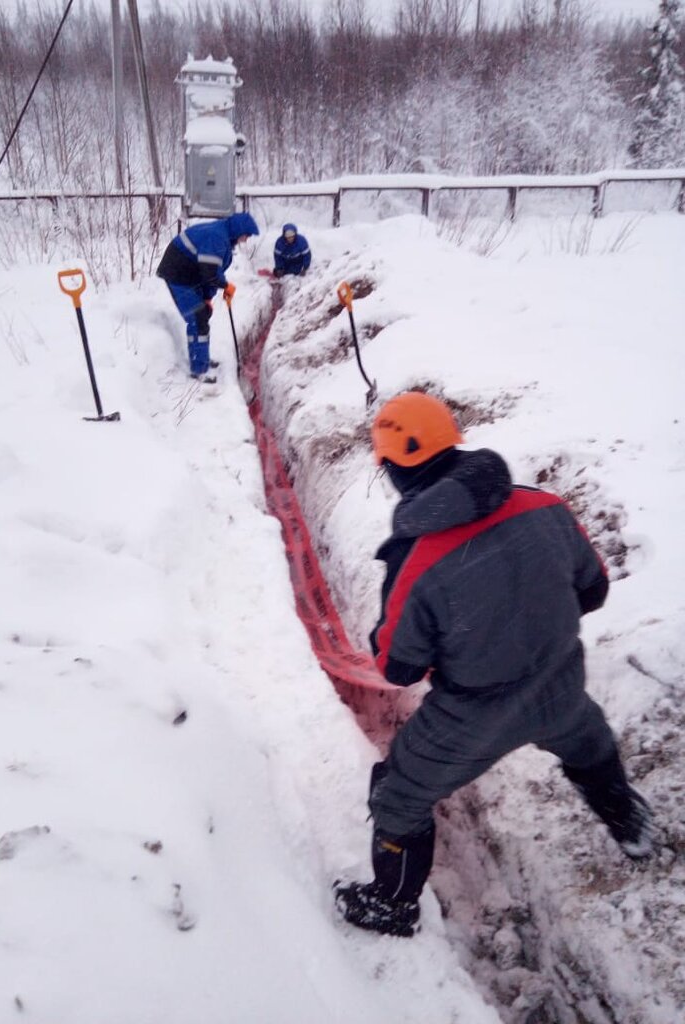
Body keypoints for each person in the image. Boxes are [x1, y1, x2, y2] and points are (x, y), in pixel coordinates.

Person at [334, 391, 653, 938]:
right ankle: (630, 824)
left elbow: (399, 668)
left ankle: (391, 905)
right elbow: (594, 587)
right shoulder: (545, 506)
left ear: (391, 468)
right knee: (590, 747)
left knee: (399, 793)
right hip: (562, 683)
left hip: (474, 713)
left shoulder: (417, 558)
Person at [157, 212, 259, 382]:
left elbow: (213, 271)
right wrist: (225, 286)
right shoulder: (217, 238)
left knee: (203, 314)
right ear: (239, 231)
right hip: (178, 274)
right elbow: (209, 273)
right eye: (246, 235)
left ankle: (202, 360)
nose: (246, 239)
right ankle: (199, 369)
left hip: (191, 275)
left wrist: (207, 298)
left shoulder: (224, 239)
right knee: (197, 318)